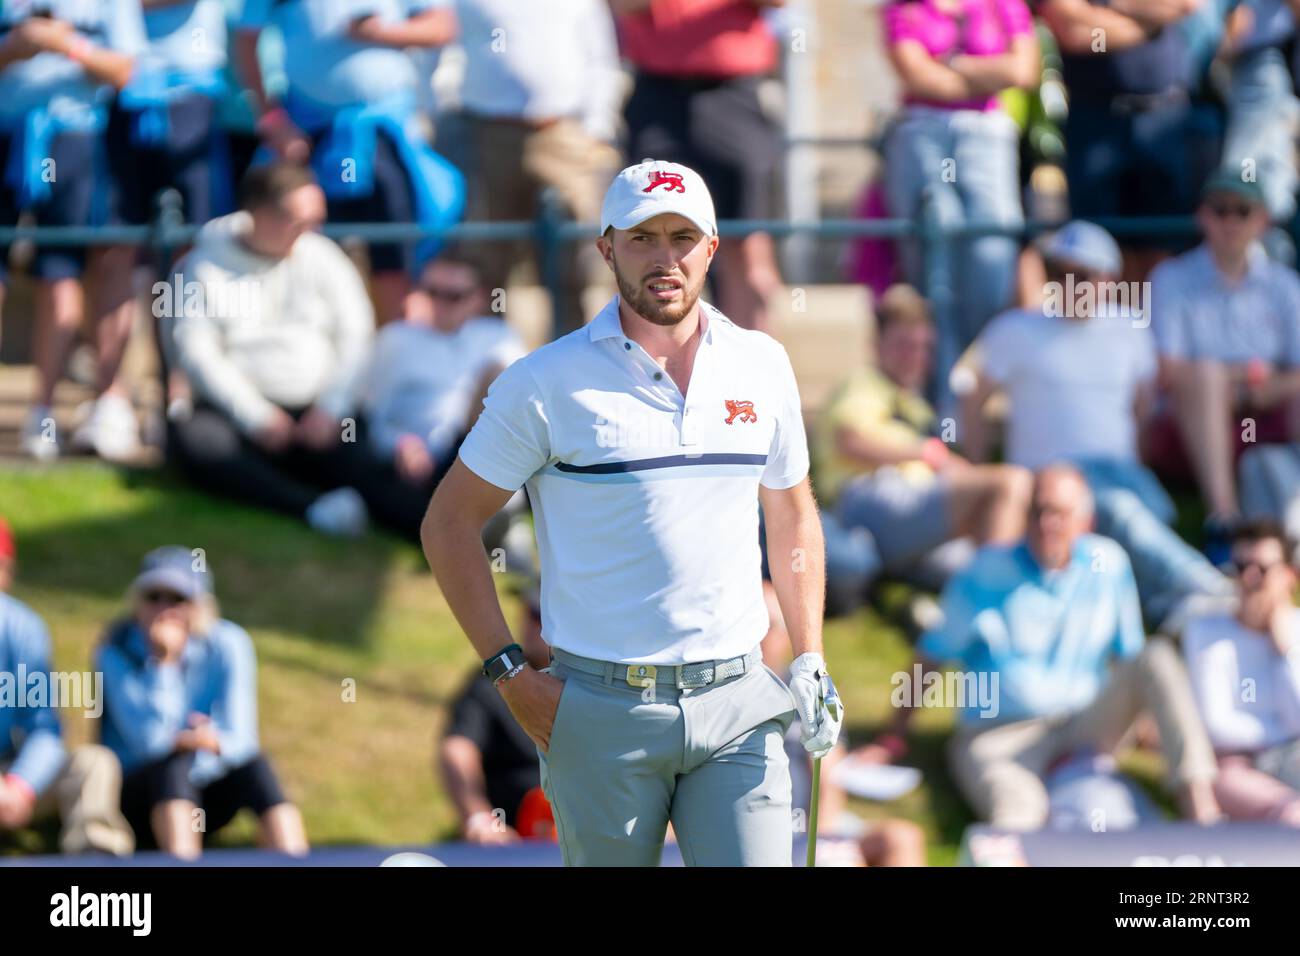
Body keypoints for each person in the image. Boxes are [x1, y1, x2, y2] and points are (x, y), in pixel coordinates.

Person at [422, 160, 843, 866]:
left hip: (739, 700)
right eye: (642, 237)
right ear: (607, 248)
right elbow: (447, 524)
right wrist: (509, 675)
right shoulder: (542, 383)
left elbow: (793, 513)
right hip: (599, 708)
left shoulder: (762, 363)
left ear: (712, 248)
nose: (665, 257)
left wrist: (809, 655)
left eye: (682, 236)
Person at [877, 464, 1223, 830]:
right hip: (998, 738)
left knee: (1158, 657)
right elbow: (931, 655)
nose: (1047, 524)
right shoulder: (985, 570)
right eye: (1038, 511)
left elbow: (1132, 659)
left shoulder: (1108, 565)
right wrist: (891, 737)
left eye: (1059, 513)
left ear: (1085, 522)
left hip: (1082, 725)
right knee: (1017, 823)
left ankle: (1202, 814)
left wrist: (1149, 729)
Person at [960, 221, 1234, 629]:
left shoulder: (1129, 329)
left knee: (1146, 518)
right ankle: (1215, 591)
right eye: (1060, 274)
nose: (1070, 286)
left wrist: (1136, 462)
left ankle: (1170, 610)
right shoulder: (1015, 329)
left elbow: (1141, 408)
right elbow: (970, 397)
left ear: (1109, 279)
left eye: (1082, 276)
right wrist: (978, 470)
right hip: (1055, 475)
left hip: (1121, 469)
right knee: (1127, 517)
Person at [166, 162, 381, 537]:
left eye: (316, 220)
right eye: (299, 221)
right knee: (200, 445)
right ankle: (309, 507)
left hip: (320, 416)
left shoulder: (324, 255)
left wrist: (331, 409)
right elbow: (196, 349)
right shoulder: (203, 265)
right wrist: (254, 414)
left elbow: (356, 334)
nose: (310, 232)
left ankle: (442, 525)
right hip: (240, 420)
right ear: (260, 214)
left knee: (361, 452)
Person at [233, 0, 463, 322]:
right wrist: (274, 120)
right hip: (307, 140)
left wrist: (381, 32)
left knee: (396, 263)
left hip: (384, 139)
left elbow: (442, 26)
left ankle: (394, 360)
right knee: (304, 256)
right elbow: (246, 40)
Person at [0, 2, 146, 462]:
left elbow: (124, 69)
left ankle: (41, 415)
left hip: (76, 144)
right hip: (6, 135)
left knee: (60, 276)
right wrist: (14, 49)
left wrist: (67, 46)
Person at [813, 284, 1031, 589]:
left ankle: (980, 607)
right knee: (1010, 482)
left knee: (973, 565)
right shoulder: (862, 383)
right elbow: (849, 440)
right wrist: (925, 453)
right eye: (903, 345)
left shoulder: (915, 406)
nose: (913, 356)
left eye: (922, 347)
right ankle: (994, 601)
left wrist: (953, 466)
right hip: (867, 501)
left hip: (912, 511)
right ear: (876, 344)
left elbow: (938, 460)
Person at [96, 547, 308, 858]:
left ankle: (297, 861)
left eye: (178, 599)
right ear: (137, 601)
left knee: (257, 767)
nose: (164, 609)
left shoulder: (229, 643)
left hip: (205, 797)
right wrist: (163, 663)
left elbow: (242, 739)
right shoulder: (113, 651)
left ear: (200, 605)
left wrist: (206, 743)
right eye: (154, 596)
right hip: (136, 797)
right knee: (173, 764)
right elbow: (150, 744)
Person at [1146, 170, 1300, 557]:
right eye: (1220, 210)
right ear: (1203, 216)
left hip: (1263, 415)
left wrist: (1266, 388)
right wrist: (1247, 377)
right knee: (1205, 376)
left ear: (1262, 220)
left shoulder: (1284, 284)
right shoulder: (1171, 277)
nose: (1230, 220)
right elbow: (1169, 369)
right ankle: (1224, 520)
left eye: (1242, 210)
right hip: (1190, 423)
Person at [613, 0, 786, 333]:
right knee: (644, 237)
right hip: (657, 95)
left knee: (745, 246)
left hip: (734, 94)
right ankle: (648, 370)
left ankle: (743, 368)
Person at [452, 0, 622, 335]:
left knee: (578, 257)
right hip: (487, 134)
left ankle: (578, 354)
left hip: (564, 133)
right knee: (488, 258)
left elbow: (601, 59)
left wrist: (595, 128)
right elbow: (442, 49)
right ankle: (492, 365)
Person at [880, 0, 1042, 350]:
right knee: (935, 250)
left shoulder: (1002, 5)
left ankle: (966, 360)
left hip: (987, 137)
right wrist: (988, 75)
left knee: (993, 248)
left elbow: (1023, 72)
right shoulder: (902, 7)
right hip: (921, 136)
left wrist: (951, 63)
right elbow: (919, 78)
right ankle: (941, 374)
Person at [353, 249, 524, 540]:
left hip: (477, 448)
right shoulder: (396, 340)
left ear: (478, 298)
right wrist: (401, 444)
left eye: (453, 296)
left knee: (501, 376)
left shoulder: (497, 337)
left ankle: (493, 512)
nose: (441, 304)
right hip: (421, 465)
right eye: (432, 292)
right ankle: (490, 519)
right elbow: (368, 420)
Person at [1037, 0, 1215, 277]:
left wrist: (1110, 5)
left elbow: (1186, 5)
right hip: (1094, 120)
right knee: (1098, 250)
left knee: (1164, 245)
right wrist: (1151, 23)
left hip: (1166, 116)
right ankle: (1116, 321)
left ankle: (1151, 321)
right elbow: (1073, 29)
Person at [0, 517, 135, 856]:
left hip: (9, 774)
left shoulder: (22, 628)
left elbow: (43, 728)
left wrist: (21, 785)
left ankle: (96, 867)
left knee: (94, 763)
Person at [1184, 519, 1300, 826]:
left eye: (1262, 569)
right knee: (1292, 815)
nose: (1249, 577)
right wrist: (1282, 735)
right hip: (1234, 766)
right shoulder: (1204, 632)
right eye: (1240, 566)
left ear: (1289, 575)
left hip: (1293, 756)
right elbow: (1217, 726)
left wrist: (1286, 653)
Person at [439, 591, 549, 845]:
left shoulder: (599, 687)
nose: (534, 625)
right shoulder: (494, 681)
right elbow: (458, 748)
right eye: (531, 614)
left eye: (543, 616)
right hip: (509, 846)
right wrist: (478, 815)